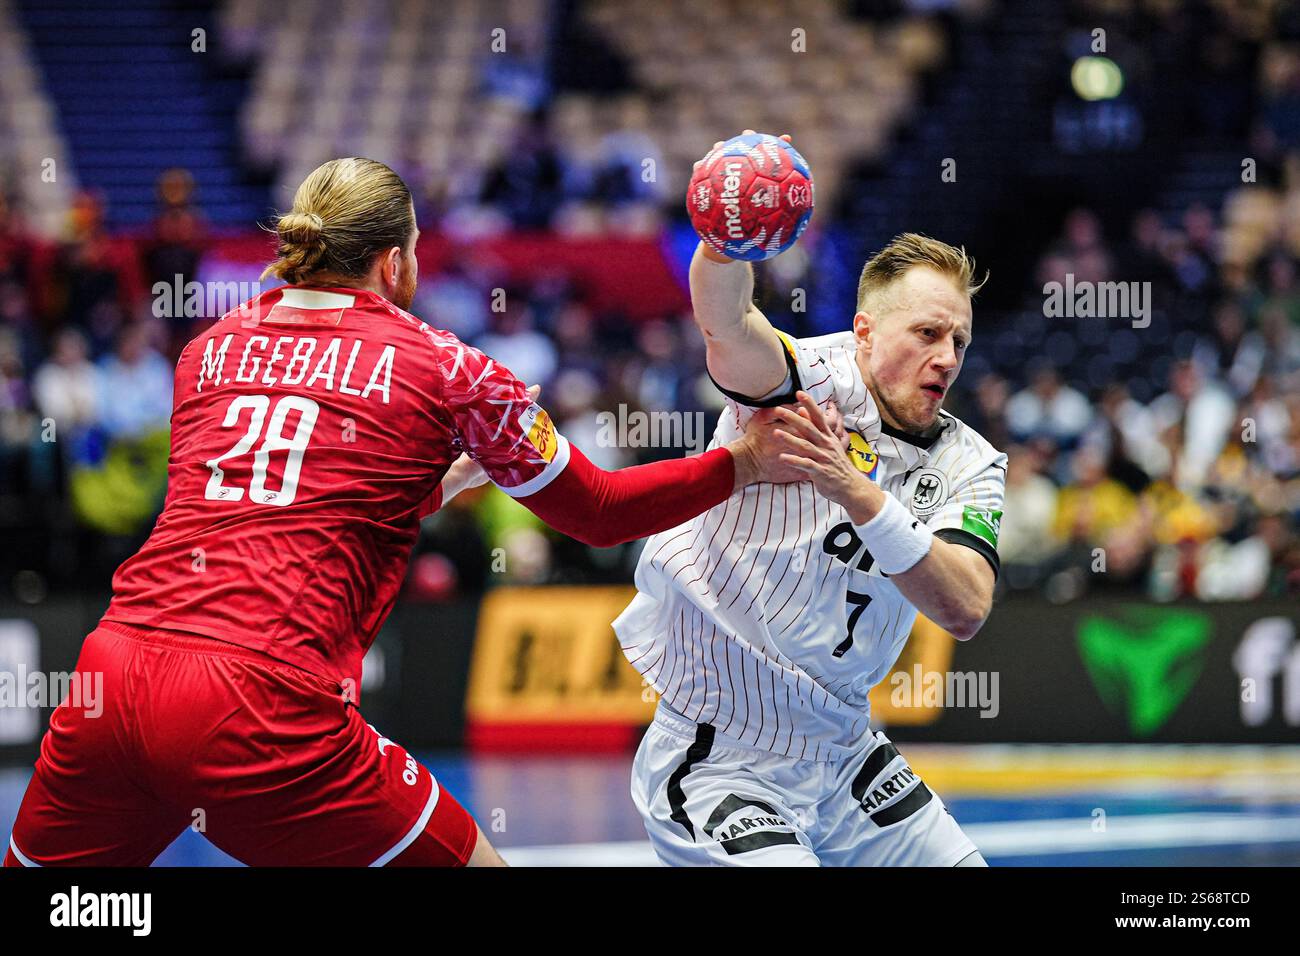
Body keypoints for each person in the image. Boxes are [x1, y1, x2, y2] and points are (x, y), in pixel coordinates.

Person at [4, 157, 799, 868]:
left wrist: (434, 486)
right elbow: (595, 512)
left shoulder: (209, 348)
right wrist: (742, 462)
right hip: (260, 702)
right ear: (394, 262)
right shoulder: (451, 367)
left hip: (112, 676)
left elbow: (269, 496)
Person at [613, 135, 1007, 866]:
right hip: (720, 756)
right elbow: (726, 323)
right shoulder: (802, 381)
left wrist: (853, 490)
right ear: (864, 331)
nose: (947, 357)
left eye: (959, 339)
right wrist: (725, 246)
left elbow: (966, 608)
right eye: (927, 333)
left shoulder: (971, 462)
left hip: (848, 754)